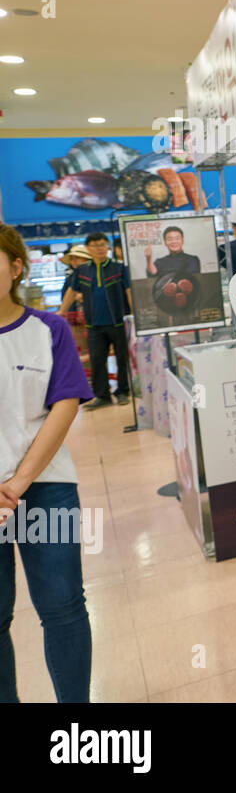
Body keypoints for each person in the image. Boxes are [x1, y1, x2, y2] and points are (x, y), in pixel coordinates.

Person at [0, 223, 95, 703]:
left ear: (16, 267)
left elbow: (65, 404)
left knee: (62, 607)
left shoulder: (49, 330)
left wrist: (18, 481)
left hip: (46, 488)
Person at [72, 232, 131, 409]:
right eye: (96, 245)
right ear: (88, 249)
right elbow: (72, 291)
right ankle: (102, 395)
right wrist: (60, 310)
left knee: (122, 358)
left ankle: (122, 392)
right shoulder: (82, 270)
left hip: (118, 321)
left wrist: (134, 314)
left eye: (103, 244)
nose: (100, 248)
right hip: (94, 324)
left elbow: (128, 291)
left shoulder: (119, 268)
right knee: (97, 360)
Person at [55, 245, 92, 316]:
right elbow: (64, 295)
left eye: (78, 258)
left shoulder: (96, 274)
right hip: (75, 316)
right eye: (72, 259)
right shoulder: (71, 278)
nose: (74, 261)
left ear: (86, 259)